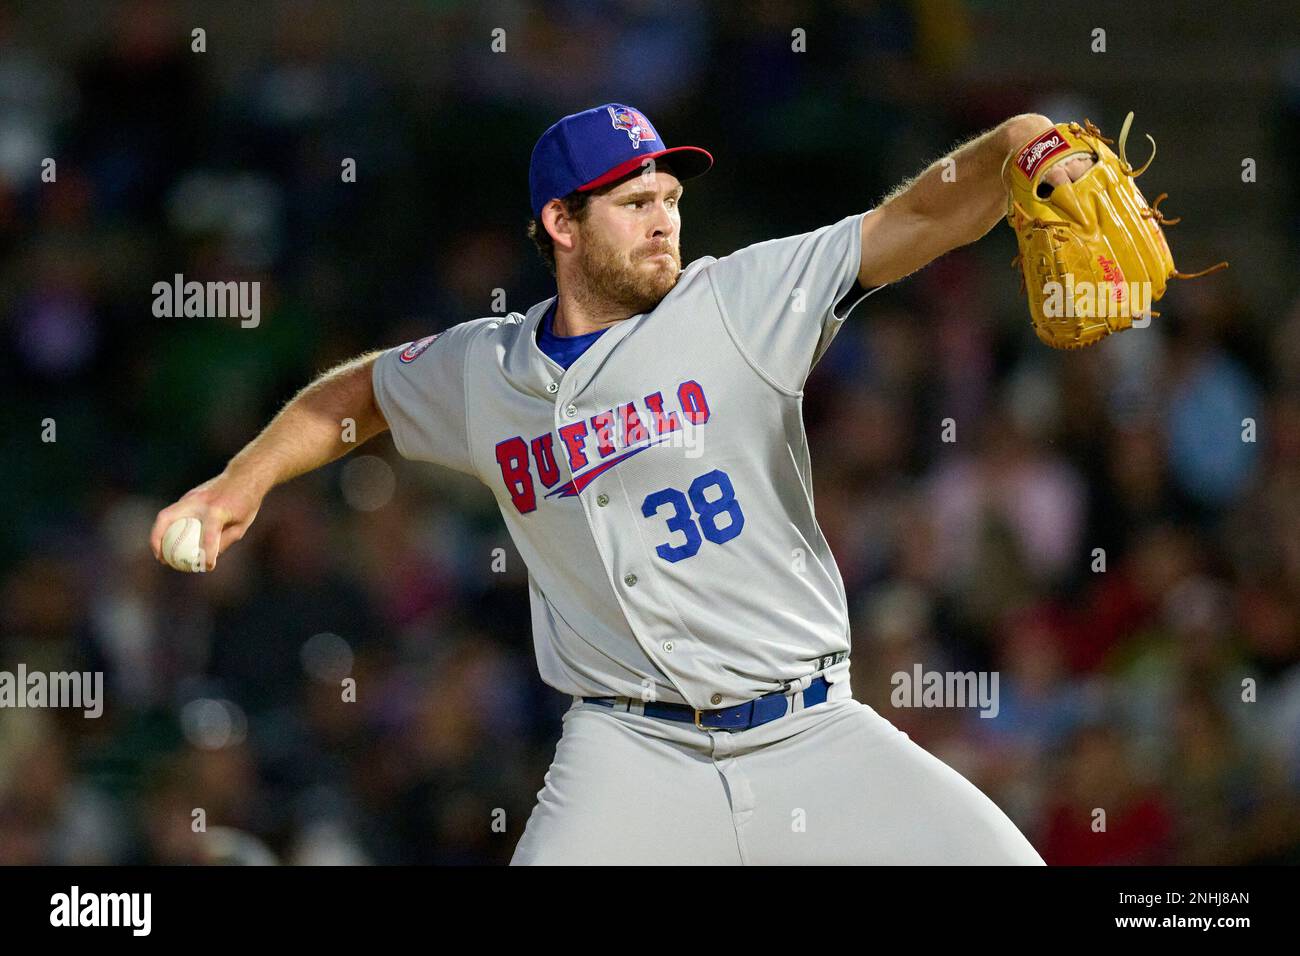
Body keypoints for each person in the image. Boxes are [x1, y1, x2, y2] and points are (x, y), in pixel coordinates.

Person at [152, 103, 1085, 864]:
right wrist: (241, 482)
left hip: (812, 732)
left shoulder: (737, 303)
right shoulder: (487, 371)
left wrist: (1015, 147)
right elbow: (357, 397)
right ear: (562, 223)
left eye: (668, 195)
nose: (664, 216)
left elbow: (915, 218)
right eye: (633, 201)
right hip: (631, 753)